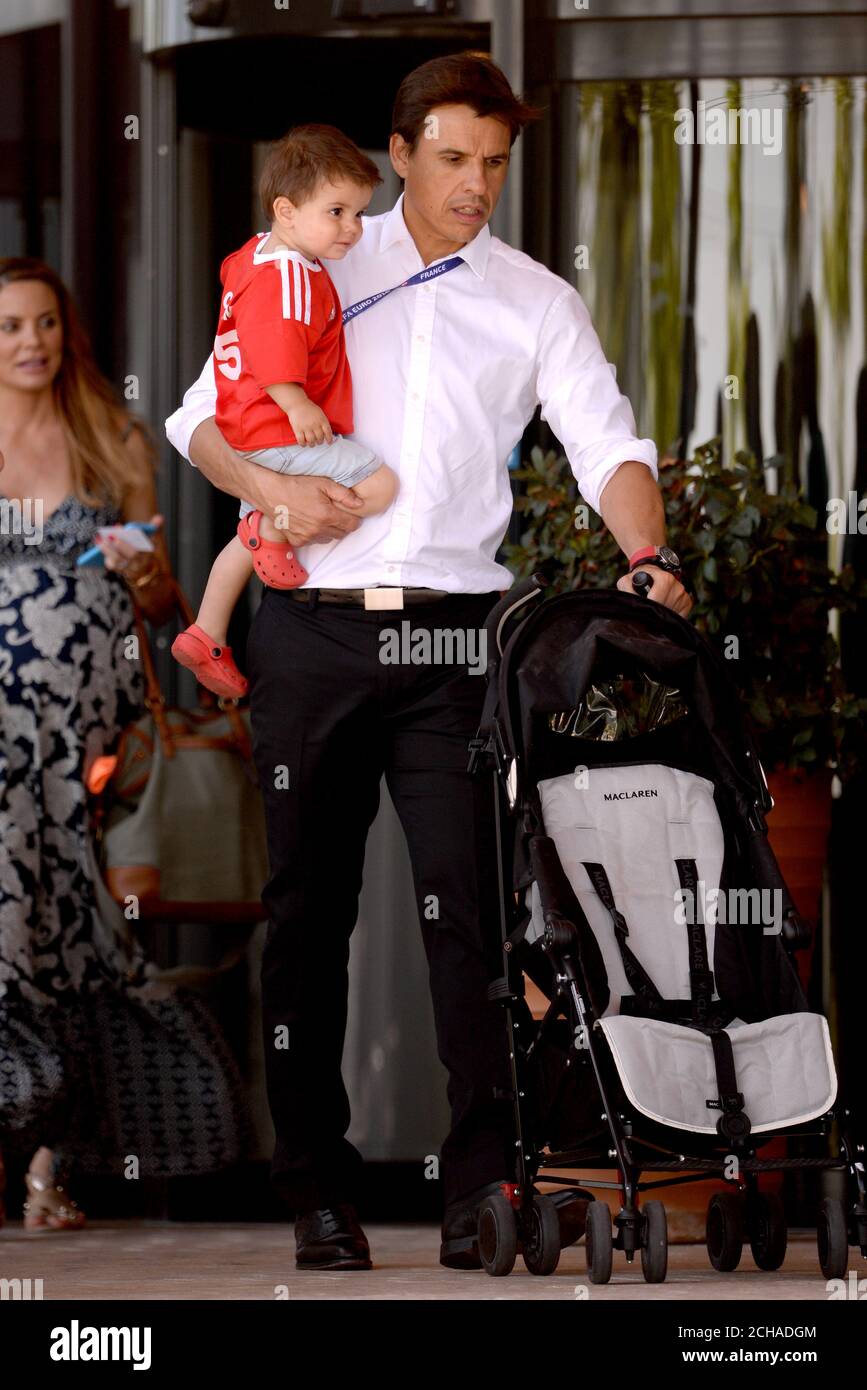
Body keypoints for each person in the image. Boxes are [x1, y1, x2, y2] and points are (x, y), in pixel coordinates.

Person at [166, 51, 692, 1273]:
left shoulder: (535, 301)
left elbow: (607, 439)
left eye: (495, 164)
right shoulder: (318, 261)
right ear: (399, 154)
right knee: (307, 915)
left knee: (476, 922)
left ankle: (479, 1191)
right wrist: (271, 486)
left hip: (460, 641)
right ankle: (317, 1190)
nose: (476, 184)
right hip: (311, 633)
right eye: (453, 159)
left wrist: (648, 549)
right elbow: (200, 413)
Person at [0, 258, 251, 1230]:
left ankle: (46, 1173)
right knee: (14, 934)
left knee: (74, 934)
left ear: (68, 335)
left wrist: (144, 566)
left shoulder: (111, 433)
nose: (31, 342)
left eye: (45, 325)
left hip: (79, 738)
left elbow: (159, 602)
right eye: (13, 327)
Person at [172, 125, 398, 699]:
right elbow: (275, 349)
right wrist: (296, 404)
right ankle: (270, 527)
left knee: (241, 542)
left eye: (360, 214)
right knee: (380, 486)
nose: (353, 228)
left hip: (243, 429)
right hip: (276, 430)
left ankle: (207, 630)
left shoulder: (254, 257)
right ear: (286, 210)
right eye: (338, 212)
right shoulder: (292, 275)